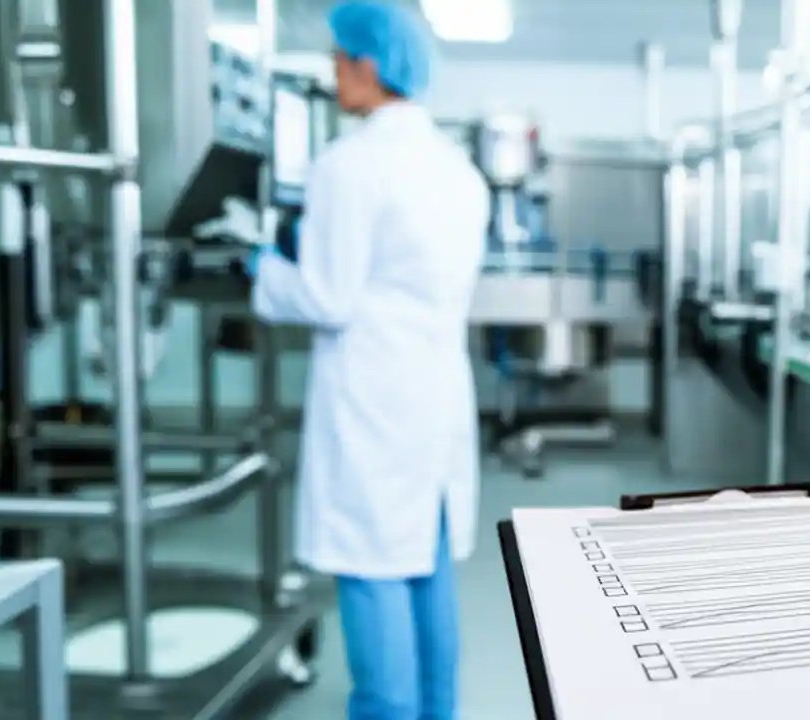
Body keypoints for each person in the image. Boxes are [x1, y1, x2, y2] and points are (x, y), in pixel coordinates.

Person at [250, 2, 489, 718]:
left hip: (374, 405)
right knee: (427, 566)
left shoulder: (349, 165)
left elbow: (325, 296)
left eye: (338, 58)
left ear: (369, 65)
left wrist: (260, 265)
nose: (332, 70)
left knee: (371, 567)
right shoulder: (458, 171)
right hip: (436, 400)